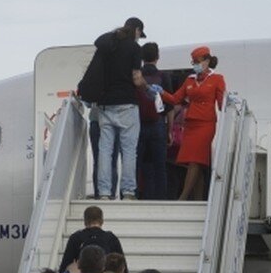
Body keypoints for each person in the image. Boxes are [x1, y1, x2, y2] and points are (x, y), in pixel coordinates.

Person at [157, 46, 226, 201]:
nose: (195, 64)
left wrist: (230, 103)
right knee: (196, 163)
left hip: (206, 124)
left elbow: (221, 104)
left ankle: (183, 196)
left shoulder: (217, 79)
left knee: (196, 160)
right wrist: (161, 92)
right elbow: (175, 99)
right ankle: (198, 198)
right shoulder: (190, 80)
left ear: (207, 61)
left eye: (197, 61)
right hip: (190, 124)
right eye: (193, 62)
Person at [94, 17, 148, 200]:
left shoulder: (109, 46)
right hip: (127, 105)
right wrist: (148, 90)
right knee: (128, 150)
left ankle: (103, 193)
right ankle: (128, 192)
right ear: (138, 31)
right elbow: (137, 78)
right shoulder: (134, 48)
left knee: (105, 150)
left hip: (105, 105)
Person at [136, 42, 172, 199]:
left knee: (138, 165)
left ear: (142, 57)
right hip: (158, 124)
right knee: (160, 166)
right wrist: (169, 130)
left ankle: (136, 195)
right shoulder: (163, 77)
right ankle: (161, 199)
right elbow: (170, 106)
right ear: (157, 57)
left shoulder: (137, 76)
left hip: (138, 124)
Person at [57, 205, 126, 273]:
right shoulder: (111, 238)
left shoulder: (76, 237)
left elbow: (66, 264)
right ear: (102, 220)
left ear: (85, 221)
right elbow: (122, 263)